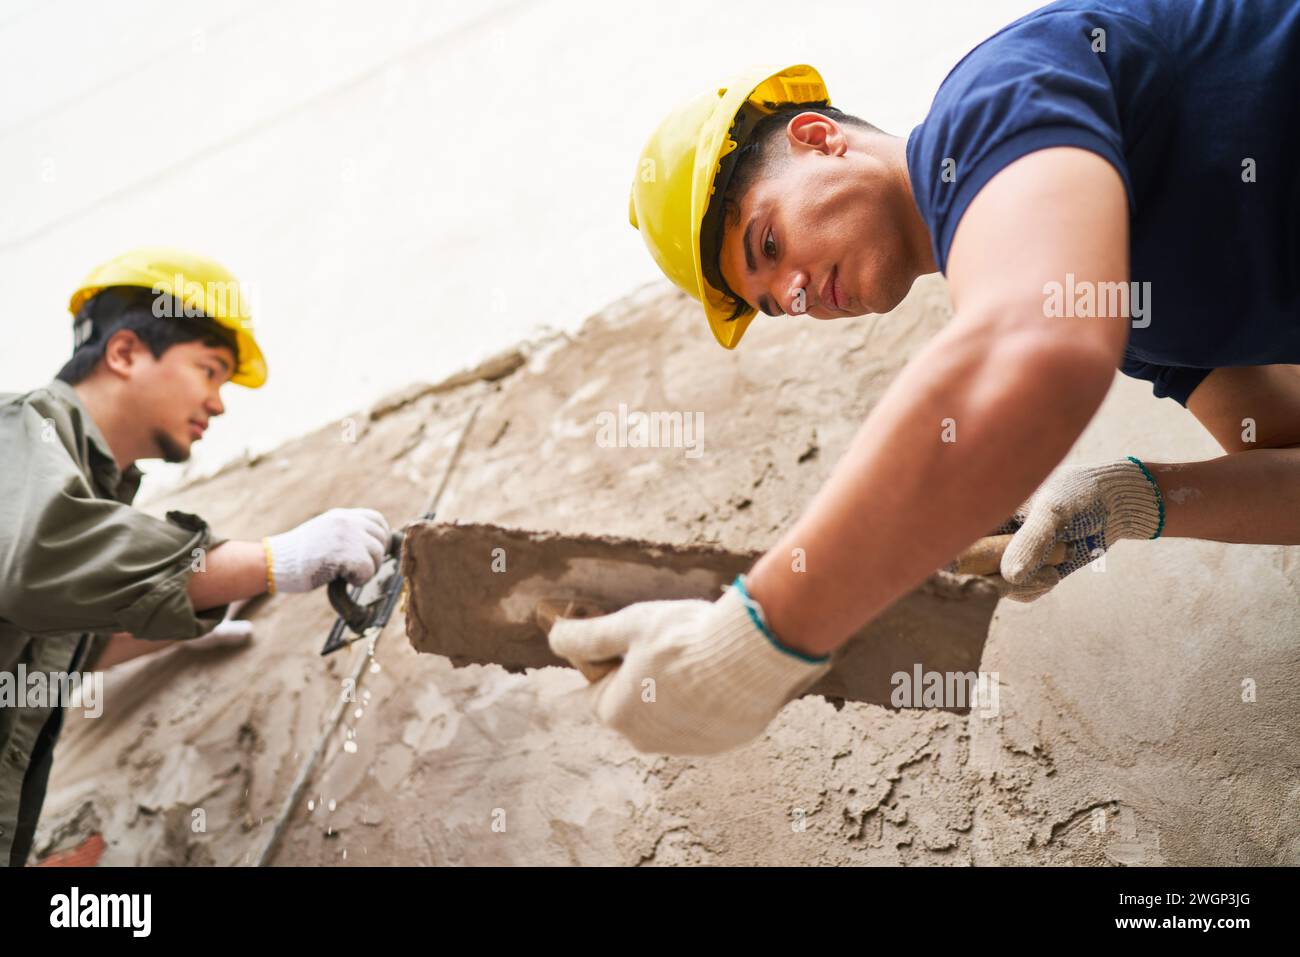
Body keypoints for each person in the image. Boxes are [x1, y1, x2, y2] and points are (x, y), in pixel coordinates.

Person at [549, 0, 1300, 756]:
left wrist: (758, 636)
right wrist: (1134, 500)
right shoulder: (1130, 316)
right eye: (776, 303)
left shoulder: (989, 99)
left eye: (770, 243)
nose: (797, 293)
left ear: (818, 140)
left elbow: (1032, 346)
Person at [0, 247, 391, 866]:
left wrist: (183, 618)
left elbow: (55, 635)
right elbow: (41, 561)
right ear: (125, 352)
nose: (218, 402)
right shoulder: (17, 429)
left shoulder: (84, 490)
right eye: (209, 370)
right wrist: (271, 559)